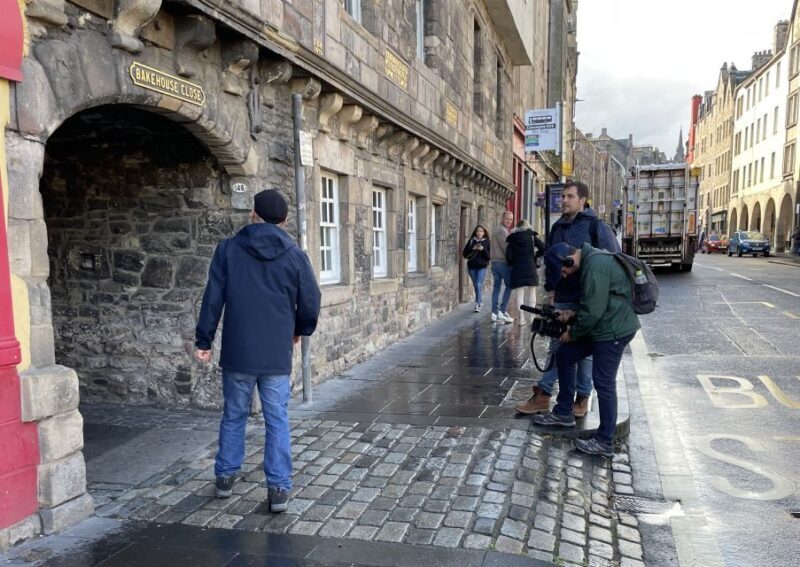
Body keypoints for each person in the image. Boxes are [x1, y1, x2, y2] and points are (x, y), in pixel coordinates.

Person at [195, 189, 321, 513]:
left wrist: (204, 340)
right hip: (276, 352)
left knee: (234, 414)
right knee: (276, 418)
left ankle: (225, 477)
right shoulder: (295, 254)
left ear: (253, 213)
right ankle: (279, 488)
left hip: (239, 349)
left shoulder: (228, 250)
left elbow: (213, 298)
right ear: (285, 220)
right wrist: (300, 329)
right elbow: (311, 300)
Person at [516, 180, 619, 417]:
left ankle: (581, 398)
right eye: (563, 196)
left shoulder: (596, 226)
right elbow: (552, 261)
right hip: (563, 295)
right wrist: (552, 290)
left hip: (586, 299)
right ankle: (544, 394)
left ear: (582, 200)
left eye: (569, 196)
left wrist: (599, 296)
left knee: (584, 353)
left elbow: (611, 259)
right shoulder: (557, 227)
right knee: (557, 346)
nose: (564, 200)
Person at [532, 242, 640, 457]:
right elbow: (594, 302)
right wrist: (571, 314)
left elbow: (593, 312)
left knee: (603, 381)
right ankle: (563, 412)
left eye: (563, 270)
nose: (563, 275)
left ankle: (604, 440)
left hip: (613, 330)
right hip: (603, 325)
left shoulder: (595, 265)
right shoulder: (591, 262)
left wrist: (572, 333)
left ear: (569, 260)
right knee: (565, 355)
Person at [506, 220, 545, 326]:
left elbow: (508, 255)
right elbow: (543, 247)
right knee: (532, 293)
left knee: (519, 294)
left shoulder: (512, 238)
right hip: (530, 266)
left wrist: (512, 262)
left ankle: (521, 318)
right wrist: (536, 255)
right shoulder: (531, 236)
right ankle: (532, 317)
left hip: (518, 268)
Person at [490, 210, 515, 323]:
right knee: (509, 285)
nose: (509, 221)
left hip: (495, 263)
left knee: (496, 287)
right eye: (507, 219)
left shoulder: (500, 229)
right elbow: (507, 248)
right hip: (501, 262)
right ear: (502, 219)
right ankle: (502, 310)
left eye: (511, 219)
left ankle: (494, 313)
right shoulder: (502, 230)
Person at [463, 225, 491, 312]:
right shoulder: (471, 241)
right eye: (477, 231)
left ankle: (477, 304)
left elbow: (489, 257)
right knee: (476, 285)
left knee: (478, 284)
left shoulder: (487, 242)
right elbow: (464, 254)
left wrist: (482, 249)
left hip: (482, 267)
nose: (479, 233)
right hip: (471, 267)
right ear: (475, 232)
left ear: (484, 232)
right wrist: (473, 248)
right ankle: (480, 301)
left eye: (481, 231)